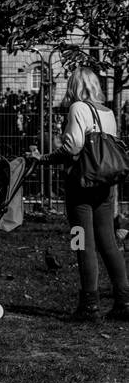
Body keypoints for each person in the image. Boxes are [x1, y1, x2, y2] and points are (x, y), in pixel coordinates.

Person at [31, 67, 129, 322]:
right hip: (104, 186)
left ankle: (89, 306)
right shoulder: (108, 112)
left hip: (80, 187)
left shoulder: (78, 108)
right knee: (109, 243)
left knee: (81, 242)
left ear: (75, 86)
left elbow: (73, 145)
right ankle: (124, 301)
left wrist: (44, 158)